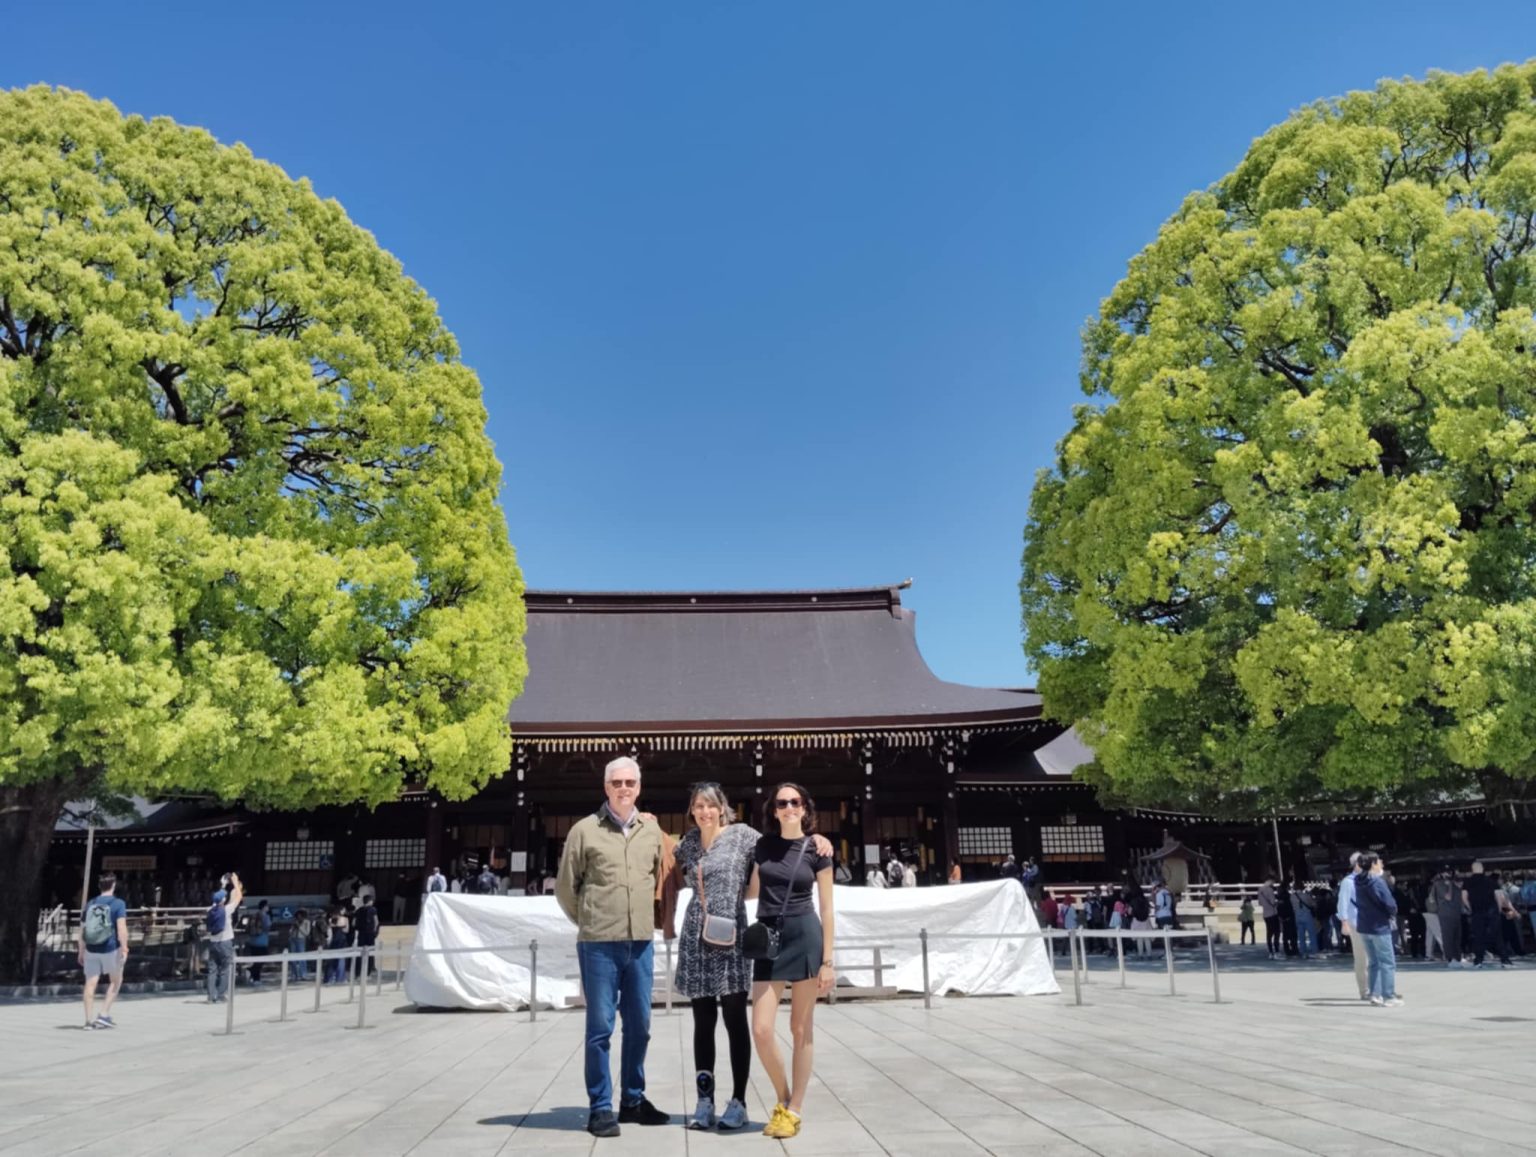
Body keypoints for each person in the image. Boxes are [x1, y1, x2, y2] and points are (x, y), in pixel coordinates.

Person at [672, 782, 833, 1132]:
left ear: (723, 807)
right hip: (715, 938)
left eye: (710, 805)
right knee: (725, 1023)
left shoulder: (746, 836)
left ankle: (753, 1103)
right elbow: (661, 860)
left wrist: (820, 838)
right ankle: (716, 1100)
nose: (704, 811)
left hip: (761, 936)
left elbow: (819, 893)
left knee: (762, 1022)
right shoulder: (693, 844)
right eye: (698, 806)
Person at [556, 756, 672, 1138]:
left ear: (639, 788)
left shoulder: (651, 832)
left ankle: (633, 1100)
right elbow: (565, 888)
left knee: (640, 1025)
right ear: (606, 788)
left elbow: (669, 868)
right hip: (599, 945)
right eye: (617, 783)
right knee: (600, 1028)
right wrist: (589, 919)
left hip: (639, 942)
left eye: (630, 783)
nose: (624, 789)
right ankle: (601, 1106)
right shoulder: (584, 831)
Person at [749, 782, 836, 1140]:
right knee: (762, 1029)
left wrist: (828, 960)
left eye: (794, 802)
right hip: (768, 938)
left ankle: (795, 1108)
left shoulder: (818, 848)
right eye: (781, 802)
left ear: (804, 807)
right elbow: (753, 890)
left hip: (804, 935)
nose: (788, 807)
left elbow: (828, 908)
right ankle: (784, 1098)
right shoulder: (762, 846)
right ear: (774, 810)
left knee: (800, 1029)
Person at [78, 871, 129, 1029]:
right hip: (110, 948)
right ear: (113, 885)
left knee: (90, 984)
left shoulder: (90, 903)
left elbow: (82, 930)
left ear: (99, 886)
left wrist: (81, 950)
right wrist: (125, 947)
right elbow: (121, 928)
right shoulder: (118, 904)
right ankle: (104, 1014)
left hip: (91, 948)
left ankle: (88, 1021)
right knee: (116, 980)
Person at [1354, 853, 1401, 1006]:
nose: (1381, 863)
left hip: (1364, 925)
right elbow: (1390, 904)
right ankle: (1389, 995)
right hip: (1379, 925)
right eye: (1379, 861)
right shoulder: (1377, 882)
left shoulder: (1357, 880)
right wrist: (1392, 912)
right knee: (1387, 962)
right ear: (1373, 864)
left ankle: (1375, 994)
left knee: (1373, 961)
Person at [1462, 861, 1511, 968]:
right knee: (1498, 936)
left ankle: (1478, 961)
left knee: (1478, 936)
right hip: (1492, 911)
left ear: (1472, 869)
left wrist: (1470, 908)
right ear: (1483, 869)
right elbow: (1499, 897)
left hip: (1477, 912)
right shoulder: (1491, 881)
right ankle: (1505, 960)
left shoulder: (1467, 882)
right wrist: (1498, 910)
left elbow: (1464, 897)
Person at [1336, 854, 1368, 1000]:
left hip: (1370, 921)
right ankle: (1364, 989)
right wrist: (1344, 922)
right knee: (1362, 958)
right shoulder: (1348, 882)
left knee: (1374, 957)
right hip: (1356, 922)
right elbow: (1342, 903)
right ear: (1356, 864)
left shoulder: (1369, 878)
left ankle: (1377, 987)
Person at [206, 874, 241, 1003]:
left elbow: (216, 899)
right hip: (225, 942)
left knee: (212, 970)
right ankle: (221, 995)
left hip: (213, 942)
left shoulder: (210, 909)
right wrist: (236, 883)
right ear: (223, 900)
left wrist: (223, 885)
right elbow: (239, 897)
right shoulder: (227, 910)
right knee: (226, 969)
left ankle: (211, 996)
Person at [1430, 867, 1464, 966]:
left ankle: (1458, 957)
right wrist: (1450, 885)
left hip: (1456, 913)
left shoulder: (1455, 885)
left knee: (1457, 937)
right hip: (1446, 914)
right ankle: (1450, 958)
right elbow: (1448, 897)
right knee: (1448, 936)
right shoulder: (1439, 884)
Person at [354, 892, 381, 976]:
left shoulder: (359, 910)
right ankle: (369, 969)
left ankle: (358, 971)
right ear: (370, 901)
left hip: (361, 933)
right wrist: (375, 931)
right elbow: (376, 921)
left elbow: (354, 922)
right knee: (370, 951)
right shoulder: (373, 909)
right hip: (369, 933)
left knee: (360, 951)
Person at [246, 899, 272, 983]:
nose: (268, 907)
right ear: (264, 907)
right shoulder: (265, 916)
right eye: (267, 906)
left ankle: (255, 977)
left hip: (253, 941)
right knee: (262, 960)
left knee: (256, 960)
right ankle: (255, 975)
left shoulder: (254, 915)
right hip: (262, 941)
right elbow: (267, 927)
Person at [1256, 876, 1280, 959]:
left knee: (1269, 933)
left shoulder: (1260, 890)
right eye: (1273, 881)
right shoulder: (1270, 890)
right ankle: (1276, 951)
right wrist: (1278, 902)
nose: (1273, 883)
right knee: (1277, 932)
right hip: (1273, 913)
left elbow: (1260, 903)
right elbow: (1273, 902)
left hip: (1266, 914)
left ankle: (1270, 952)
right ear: (1269, 881)